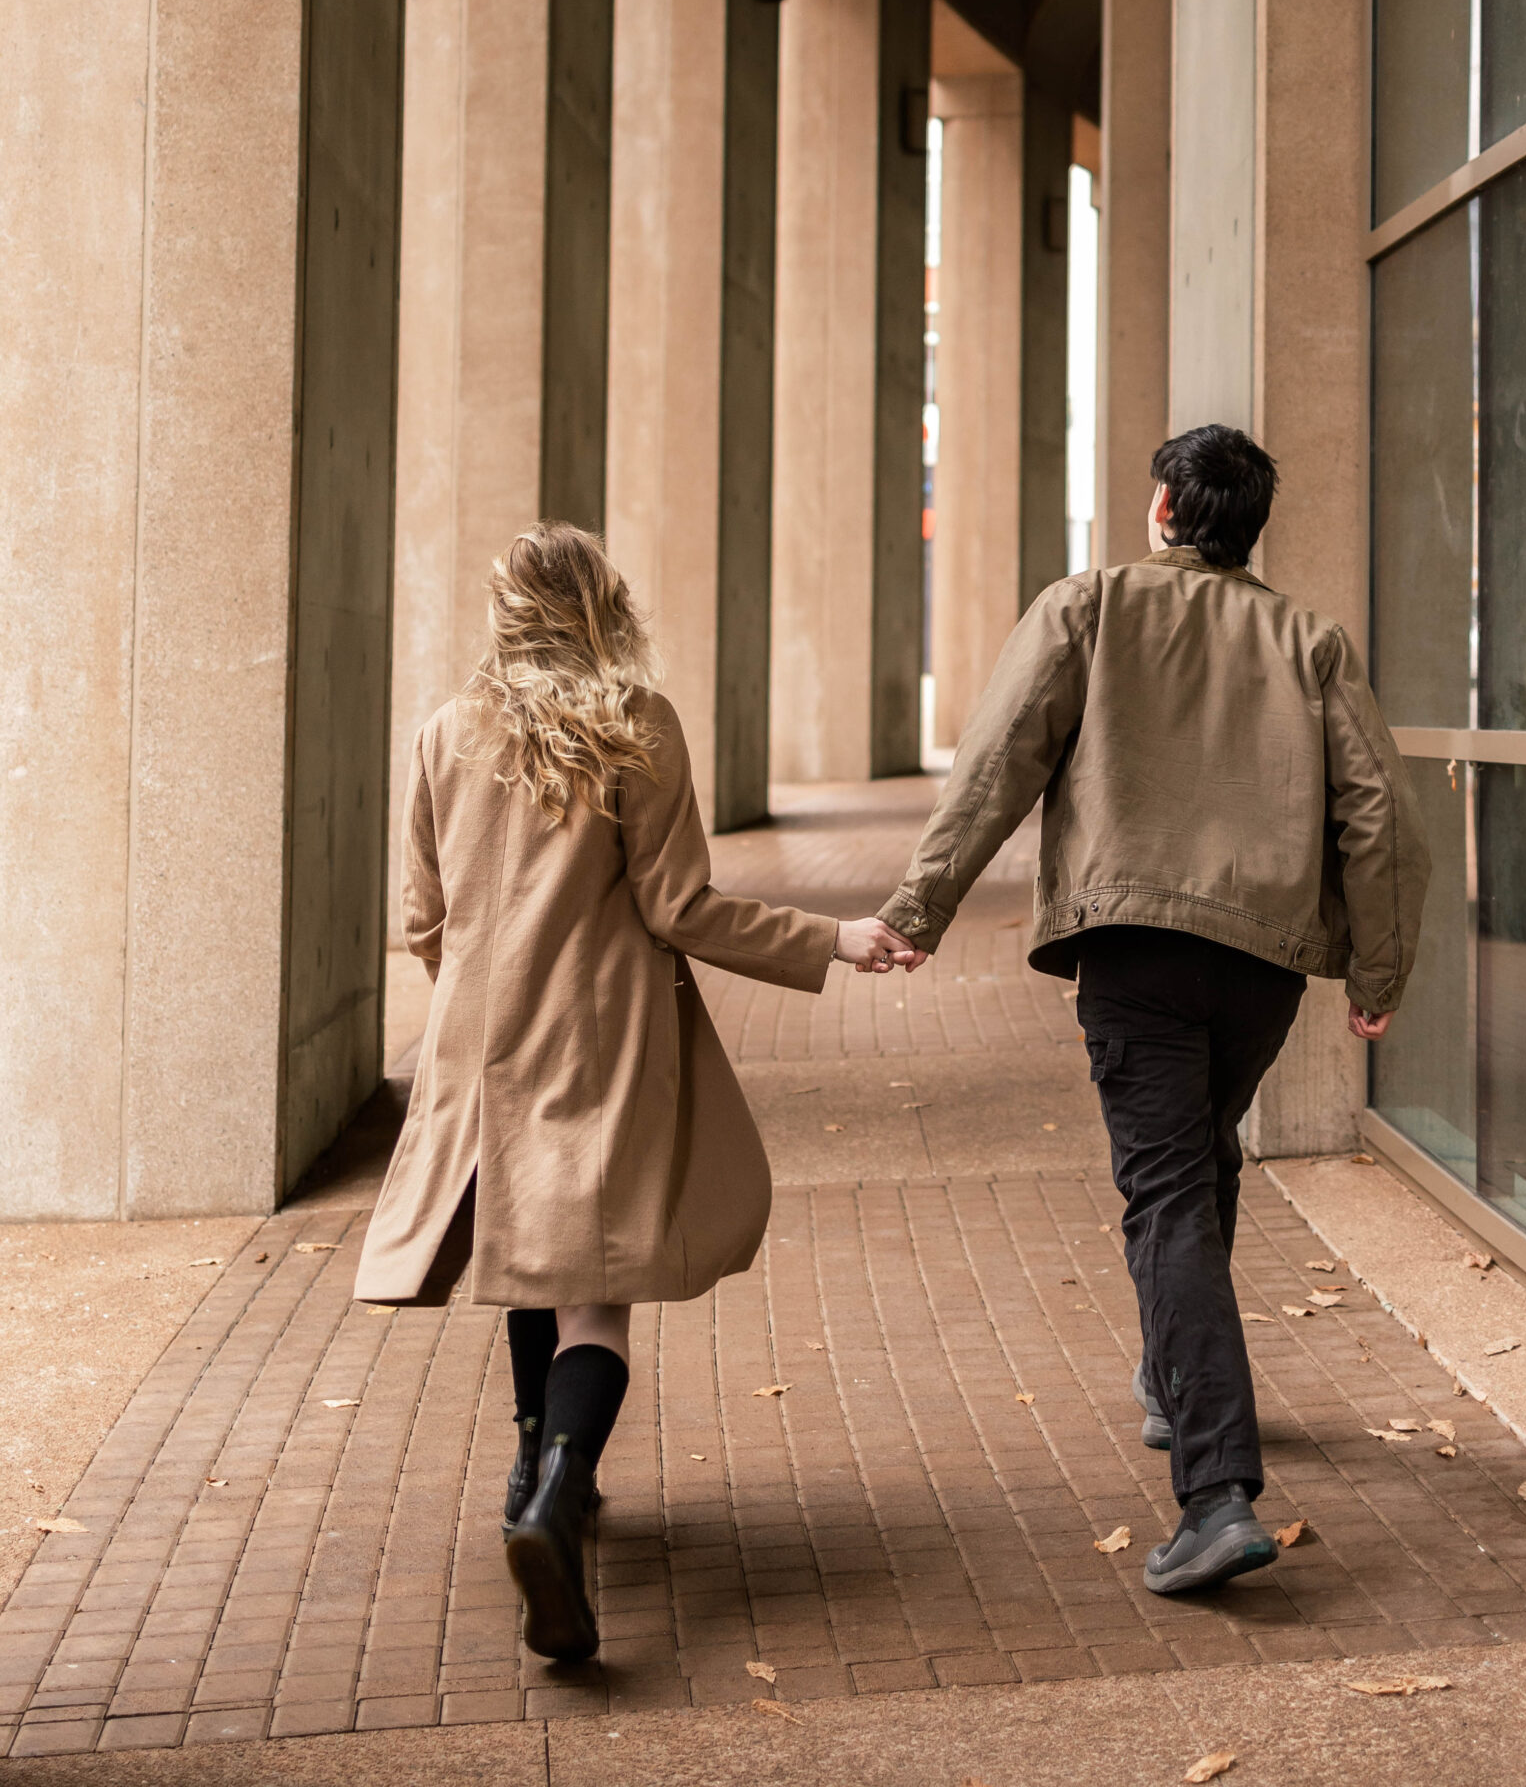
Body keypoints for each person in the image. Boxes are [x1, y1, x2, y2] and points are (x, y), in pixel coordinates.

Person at [843, 425, 1429, 1596]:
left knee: (1164, 1194)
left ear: (1164, 505)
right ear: (1245, 525)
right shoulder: (1308, 640)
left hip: (1132, 948)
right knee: (1200, 1162)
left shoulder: (1089, 604)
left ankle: (1215, 1494)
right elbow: (1380, 817)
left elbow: (998, 758)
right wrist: (1376, 973)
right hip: (1260, 962)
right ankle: (1175, 1384)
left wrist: (919, 906)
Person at [353, 524, 921, 1662]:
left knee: (525, 1242)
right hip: (603, 1038)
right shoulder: (637, 726)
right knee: (593, 1287)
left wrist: (474, 1000)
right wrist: (835, 940)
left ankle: (529, 1465)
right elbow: (682, 908)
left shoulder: (443, 733)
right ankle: (555, 1493)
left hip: (482, 1040)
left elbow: (423, 919)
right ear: (602, 605)